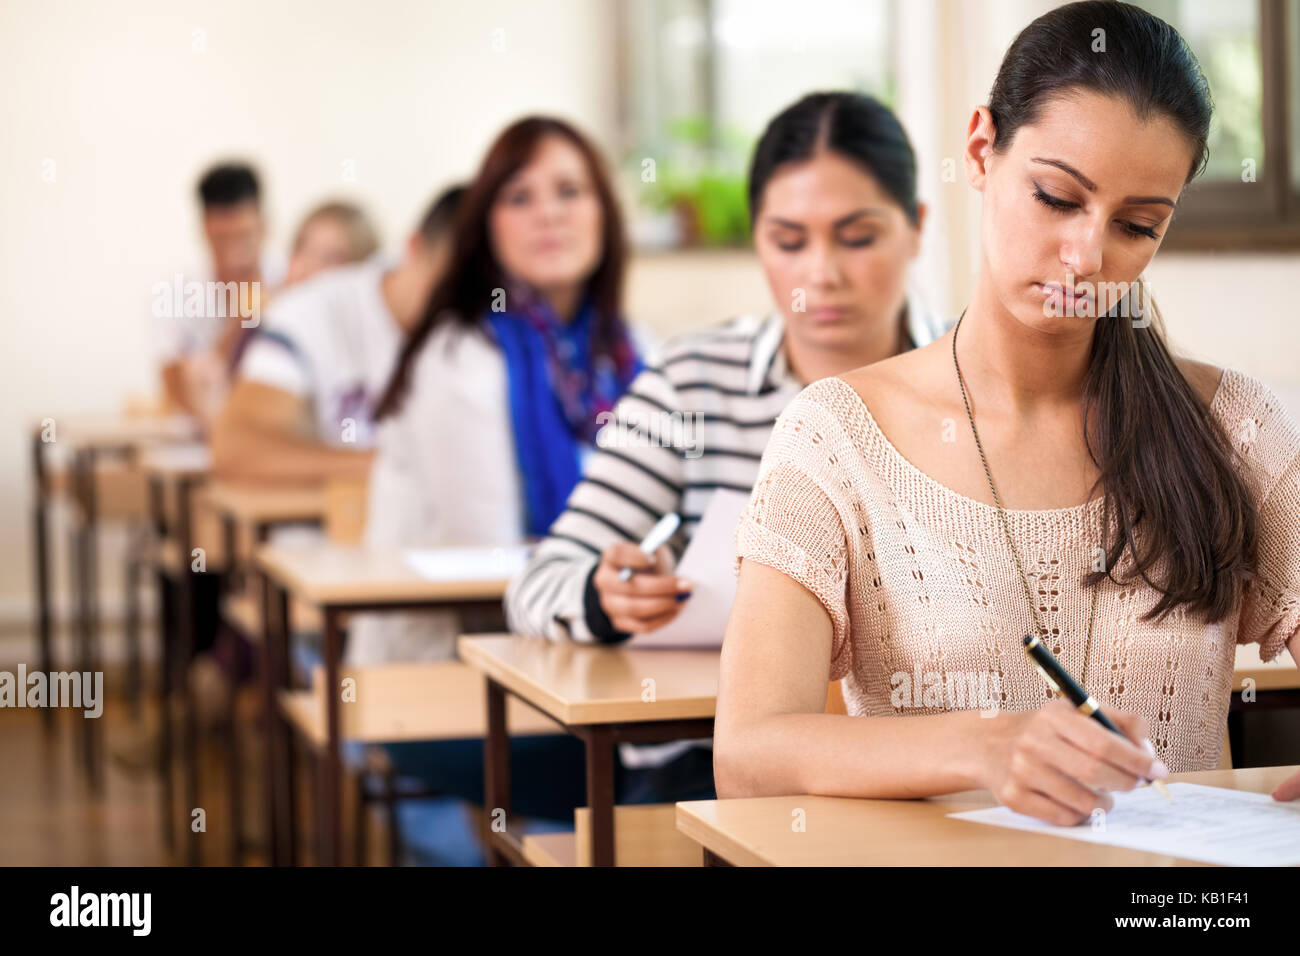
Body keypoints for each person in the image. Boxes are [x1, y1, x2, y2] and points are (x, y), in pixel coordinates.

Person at [715, 0, 1300, 825]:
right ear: (982, 149)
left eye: (1137, 226)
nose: (1088, 257)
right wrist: (983, 746)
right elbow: (748, 754)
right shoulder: (836, 438)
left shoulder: (1230, 425)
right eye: (1058, 198)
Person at [505, 92, 947, 805]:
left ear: (917, 227)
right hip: (712, 766)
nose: (821, 274)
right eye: (788, 240)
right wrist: (605, 595)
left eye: (858, 237)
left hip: (930, 762)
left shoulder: (973, 378)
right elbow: (538, 583)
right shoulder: (692, 380)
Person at [209, 185, 462, 483]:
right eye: (302, 251)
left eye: (331, 258)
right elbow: (237, 450)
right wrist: (406, 471)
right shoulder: (299, 318)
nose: (310, 268)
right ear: (415, 248)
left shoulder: (490, 335)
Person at [158, 162, 285, 422]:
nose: (233, 255)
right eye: (221, 239)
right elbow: (179, 393)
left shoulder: (292, 282)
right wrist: (241, 323)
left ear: (264, 226)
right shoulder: (176, 295)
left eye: (243, 236)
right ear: (203, 230)